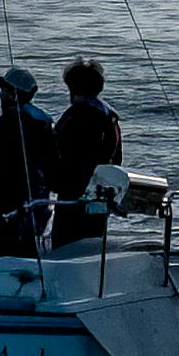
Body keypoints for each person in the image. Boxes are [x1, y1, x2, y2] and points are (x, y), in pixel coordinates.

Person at [48, 59, 124, 243]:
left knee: (67, 243)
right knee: (93, 243)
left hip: (75, 191)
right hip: (101, 188)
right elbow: (117, 157)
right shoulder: (109, 115)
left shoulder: (79, 116)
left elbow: (64, 152)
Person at [0, 67, 54, 254]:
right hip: (37, 194)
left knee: (7, 246)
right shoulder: (44, 121)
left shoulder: (6, 122)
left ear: (13, 93)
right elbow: (52, 160)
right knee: (29, 243)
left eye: (4, 90)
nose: (0, 94)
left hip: (9, 196)